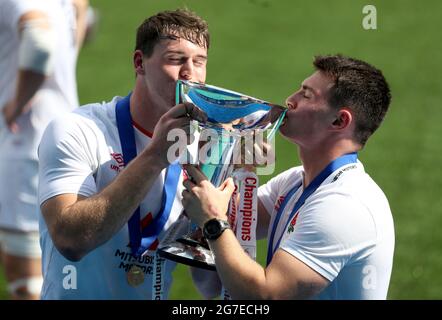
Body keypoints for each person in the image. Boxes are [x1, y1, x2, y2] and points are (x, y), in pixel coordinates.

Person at [182, 54, 395, 300]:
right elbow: (234, 226)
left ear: (339, 120)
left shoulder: (344, 206)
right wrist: (226, 158)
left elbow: (266, 295)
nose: (289, 100)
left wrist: (212, 221)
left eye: (306, 95)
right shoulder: (295, 181)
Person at [37, 8, 210, 299]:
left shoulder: (203, 147)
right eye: (175, 59)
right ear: (140, 63)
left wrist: (232, 189)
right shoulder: (75, 130)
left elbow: (209, 285)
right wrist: (155, 156)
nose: (189, 73)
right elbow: (70, 240)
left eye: (199, 61)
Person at [0, 0, 89, 300]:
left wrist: (14, 106)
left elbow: (39, 43)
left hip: (22, 144)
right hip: (61, 137)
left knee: (27, 284)